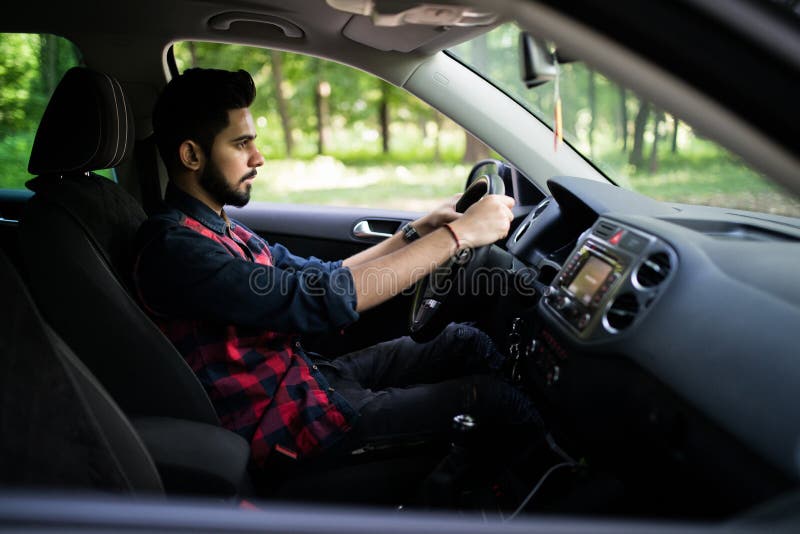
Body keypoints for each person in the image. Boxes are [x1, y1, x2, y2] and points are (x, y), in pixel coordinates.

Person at [133, 68, 543, 478]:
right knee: (496, 404)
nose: (258, 158)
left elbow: (325, 275)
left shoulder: (218, 228)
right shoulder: (176, 250)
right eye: (241, 145)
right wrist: (458, 236)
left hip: (305, 380)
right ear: (191, 156)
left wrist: (420, 231)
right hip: (288, 428)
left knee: (463, 341)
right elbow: (318, 299)